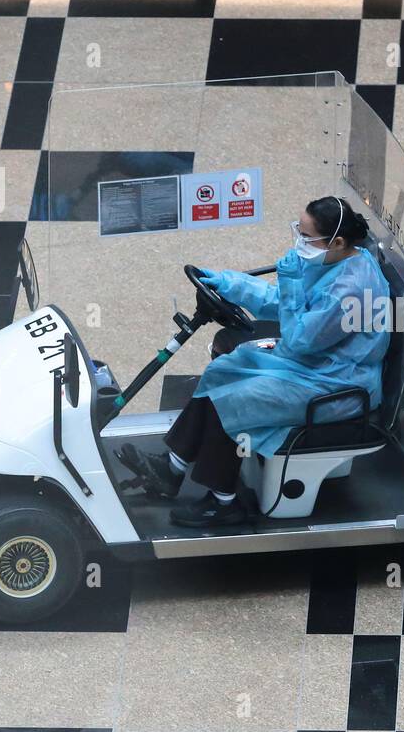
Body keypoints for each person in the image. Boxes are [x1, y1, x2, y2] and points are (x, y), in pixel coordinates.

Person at [131, 196, 390, 525]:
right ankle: (171, 469)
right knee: (222, 371)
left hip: (334, 387)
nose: (300, 242)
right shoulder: (335, 259)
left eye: (306, 236)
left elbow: (300, 339)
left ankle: (223, 502)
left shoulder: (352, 289)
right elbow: (281, 303)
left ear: (337, 241)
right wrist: (230, 284)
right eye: (299, 230)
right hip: (312, 367)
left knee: (233, 401)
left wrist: (293, 284)